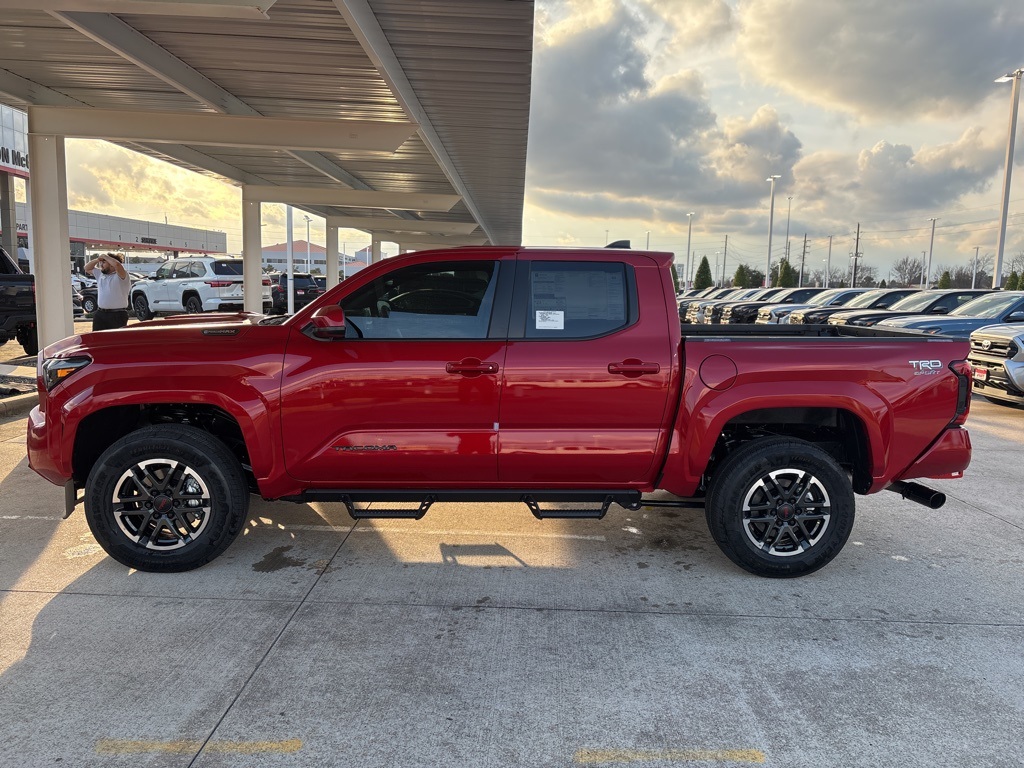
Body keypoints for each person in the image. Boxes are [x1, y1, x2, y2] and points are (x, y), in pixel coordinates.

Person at [84, 252, 131, 331]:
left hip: (117, 315)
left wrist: (105, 256)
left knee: (115, 341)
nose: (101, 265)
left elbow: (117, 265)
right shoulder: (100, 274)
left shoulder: (122, 275)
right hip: (100, 314)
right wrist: (98, 259)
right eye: (101, 262)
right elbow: (87, 268)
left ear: (111, 264)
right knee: (97, 340)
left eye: (104, 262)